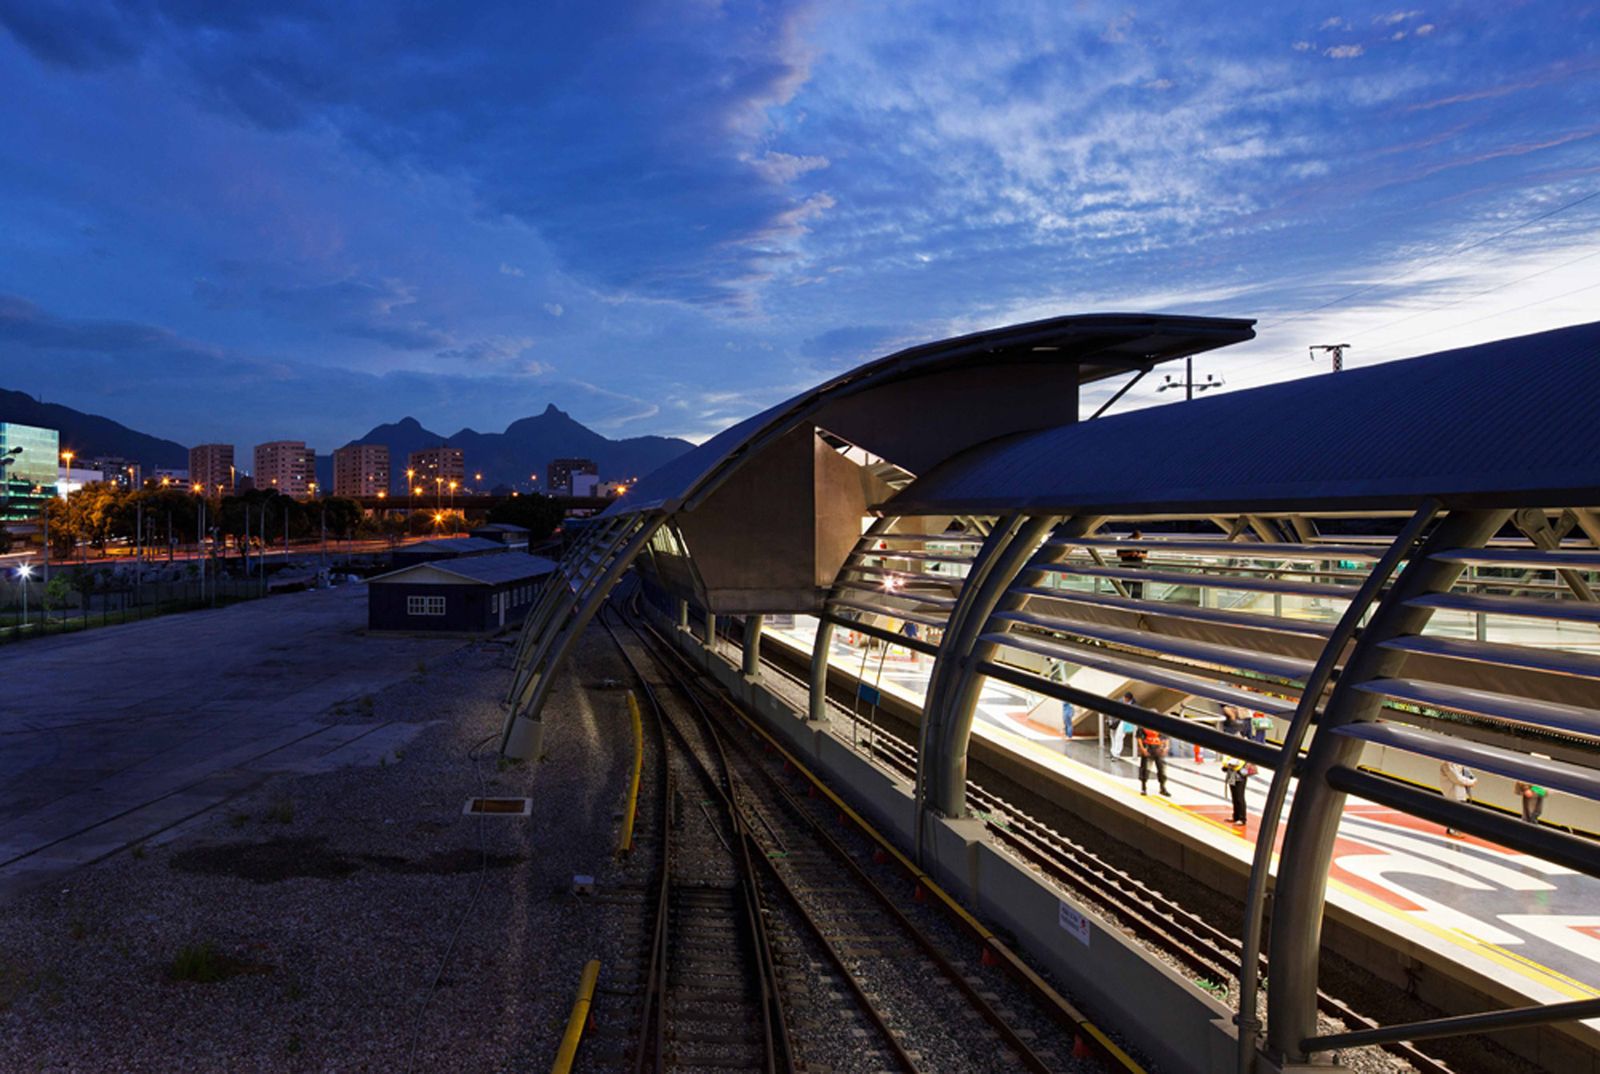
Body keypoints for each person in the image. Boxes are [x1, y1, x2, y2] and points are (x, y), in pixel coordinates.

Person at [1439, 762, 1477, 836]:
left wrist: (1473, 779)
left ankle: (1457, 829)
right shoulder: (1447, 765)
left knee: (1460, 811)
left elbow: (1467, 774)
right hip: (1452, 791)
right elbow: (1457, 779)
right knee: (1454, 810)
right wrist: (1471, 782)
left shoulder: (1460, 764)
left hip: (1461, 791)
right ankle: (1452, 830)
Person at [1137, 725, 1171, 797]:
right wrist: (1142, 748)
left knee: (1161, 769)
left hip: (1158, 749)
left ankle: (1162, 787)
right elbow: (1139, 737)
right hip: (1148, 747)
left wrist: (1166, 747)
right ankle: (1143, 787)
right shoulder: (1142, 726)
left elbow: (1166, 737)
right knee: (1145, 768)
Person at [1117, 530, 1149, 599]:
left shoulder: (1142, 544)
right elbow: (1119, 554)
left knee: (1137, 589)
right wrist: (1130, 554)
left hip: (1138, 568)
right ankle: (1125, 601)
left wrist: (1140, 555)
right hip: (1127, 568)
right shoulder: (1125, 544)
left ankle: (1135, 602)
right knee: (1126, 587)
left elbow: (1145, 555)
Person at [1108, 691, 1136, 761]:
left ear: (1129, 699)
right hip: (1116, 720)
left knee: (1119, 737)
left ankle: (1116, 754)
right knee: (1113, 735)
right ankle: (1113, 752)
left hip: (1124, 722)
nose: (1124, 699)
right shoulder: (1120, 701)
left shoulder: (1133, 705)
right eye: (1124, 698)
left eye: (1126, 699)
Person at [1222, 759, 1251, 826]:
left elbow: (1246, 769)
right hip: (1232, 776)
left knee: (1239, 797)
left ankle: (1242, 818)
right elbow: (1224, 767)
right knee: (1234, 797)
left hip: (1240, 777)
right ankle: (1236, 816)